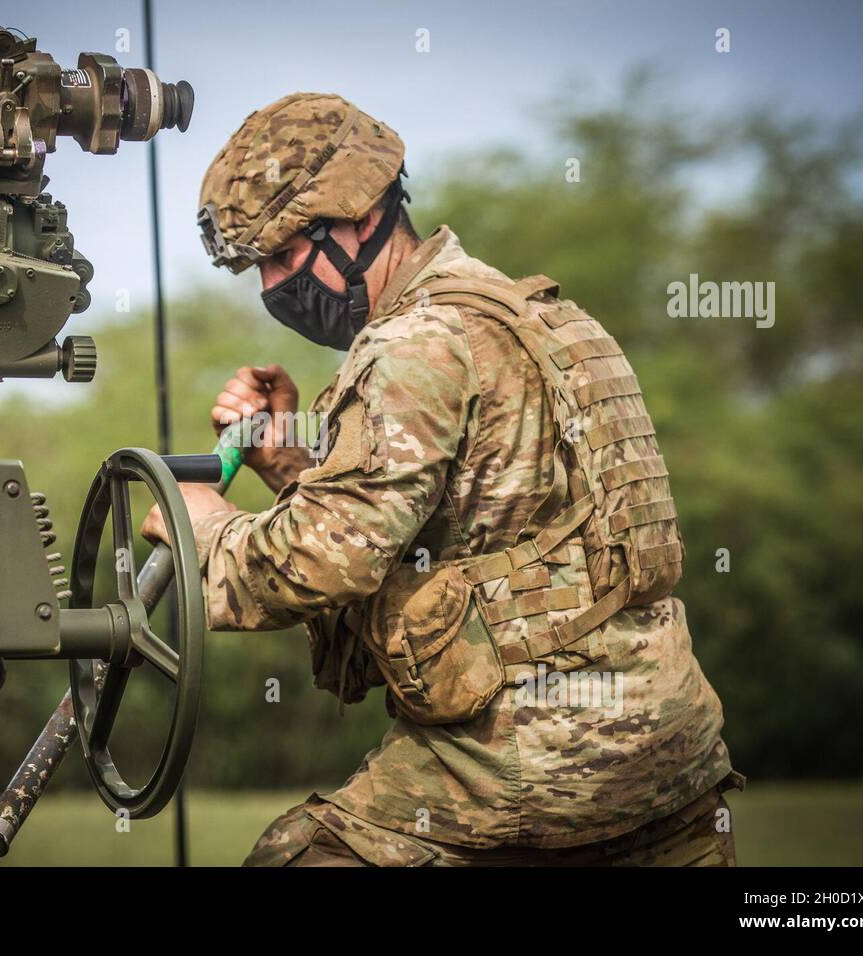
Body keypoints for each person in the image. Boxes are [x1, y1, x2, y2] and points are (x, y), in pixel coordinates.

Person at [141, 92, 743, 866]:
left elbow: (330, 562)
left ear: (358, 217)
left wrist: (207, 531)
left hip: (533, 762)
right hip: (672, 753)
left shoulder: (414, 344)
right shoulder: (534, 315)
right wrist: (289, 460)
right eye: (257, 265)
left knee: (298, 857)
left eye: (284, 253)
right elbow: (478, 524)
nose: (269, 286)